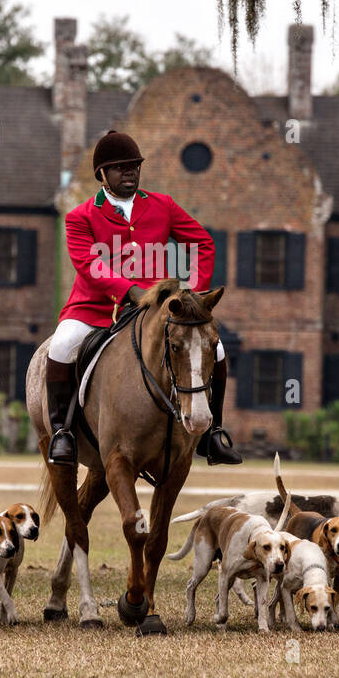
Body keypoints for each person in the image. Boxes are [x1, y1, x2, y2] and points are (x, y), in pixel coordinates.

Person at [44, 130, 240, 468]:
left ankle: (212, 434)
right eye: (120, 167)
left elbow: (203, 243)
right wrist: (127, 290)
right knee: (61, 346)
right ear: (102, 175)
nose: (130, 172)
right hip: (94, 309)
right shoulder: (80, 216)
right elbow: (88, 263)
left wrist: (193, 294)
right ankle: (63, 432)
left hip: (157, 310)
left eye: (134, 165)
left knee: (216, 349)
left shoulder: (162, 205)